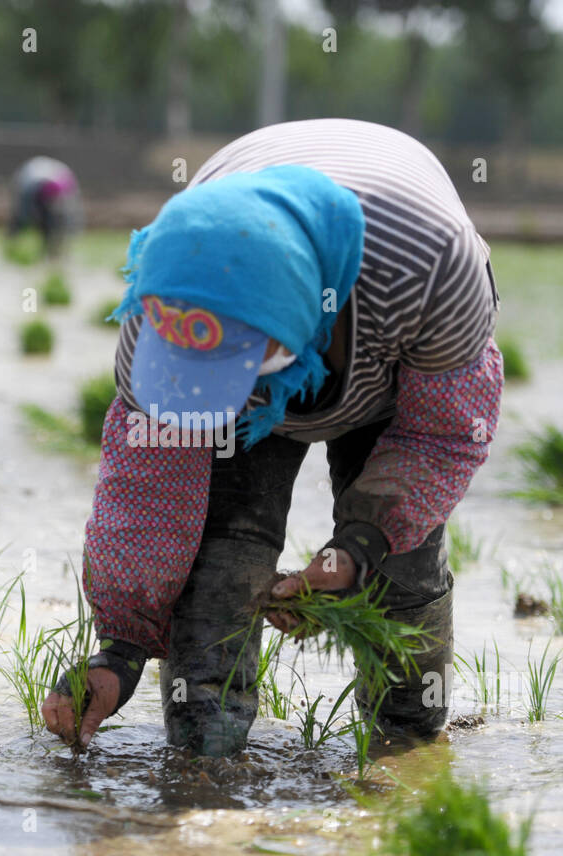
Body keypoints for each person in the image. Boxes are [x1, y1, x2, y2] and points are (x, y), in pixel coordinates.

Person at [42, 118, 504, 758]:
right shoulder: (168, 300)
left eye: (236, 372)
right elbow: (146, 493)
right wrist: (120, 649)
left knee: (400, 576)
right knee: (219, 572)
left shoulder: (432, 267)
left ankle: (405, 754)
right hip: (255, 311)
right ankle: (202, 766)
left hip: (390, 356)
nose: (221, 399)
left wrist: (357, 548)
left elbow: (441, 435)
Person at [7, 156, 82, 258]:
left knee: (53, 224)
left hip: (50, 191)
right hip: (31, 188)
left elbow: (73, 217)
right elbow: (23, 211)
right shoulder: (29, 187)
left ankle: (51, 253)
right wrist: (30, 220)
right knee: (20, 222)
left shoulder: (67, 184)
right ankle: (10, 247)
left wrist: (70, 233)